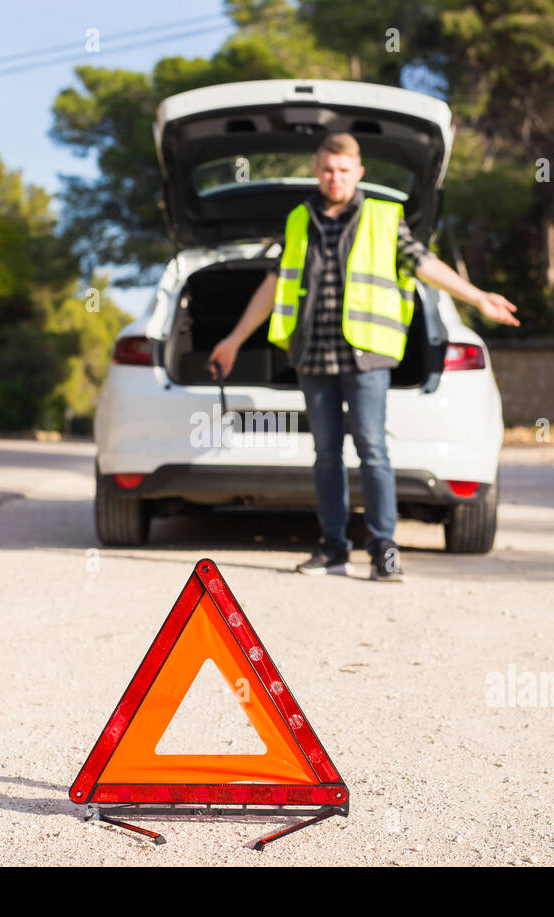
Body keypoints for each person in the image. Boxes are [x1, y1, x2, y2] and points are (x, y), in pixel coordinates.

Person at [208, 133, 519, 581]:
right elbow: (275, 283)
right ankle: (333, 547)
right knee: (326, 454)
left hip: (367, 352)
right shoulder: (298, 220)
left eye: (344, 170)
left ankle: (383, 548)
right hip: (313, 354)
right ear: (317, 171)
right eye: (328, 170)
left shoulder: (383, 218)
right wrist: (235, 339)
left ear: (359, 172)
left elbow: (423, 263)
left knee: (373, 450)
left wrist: (477, 297)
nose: (335, 178)